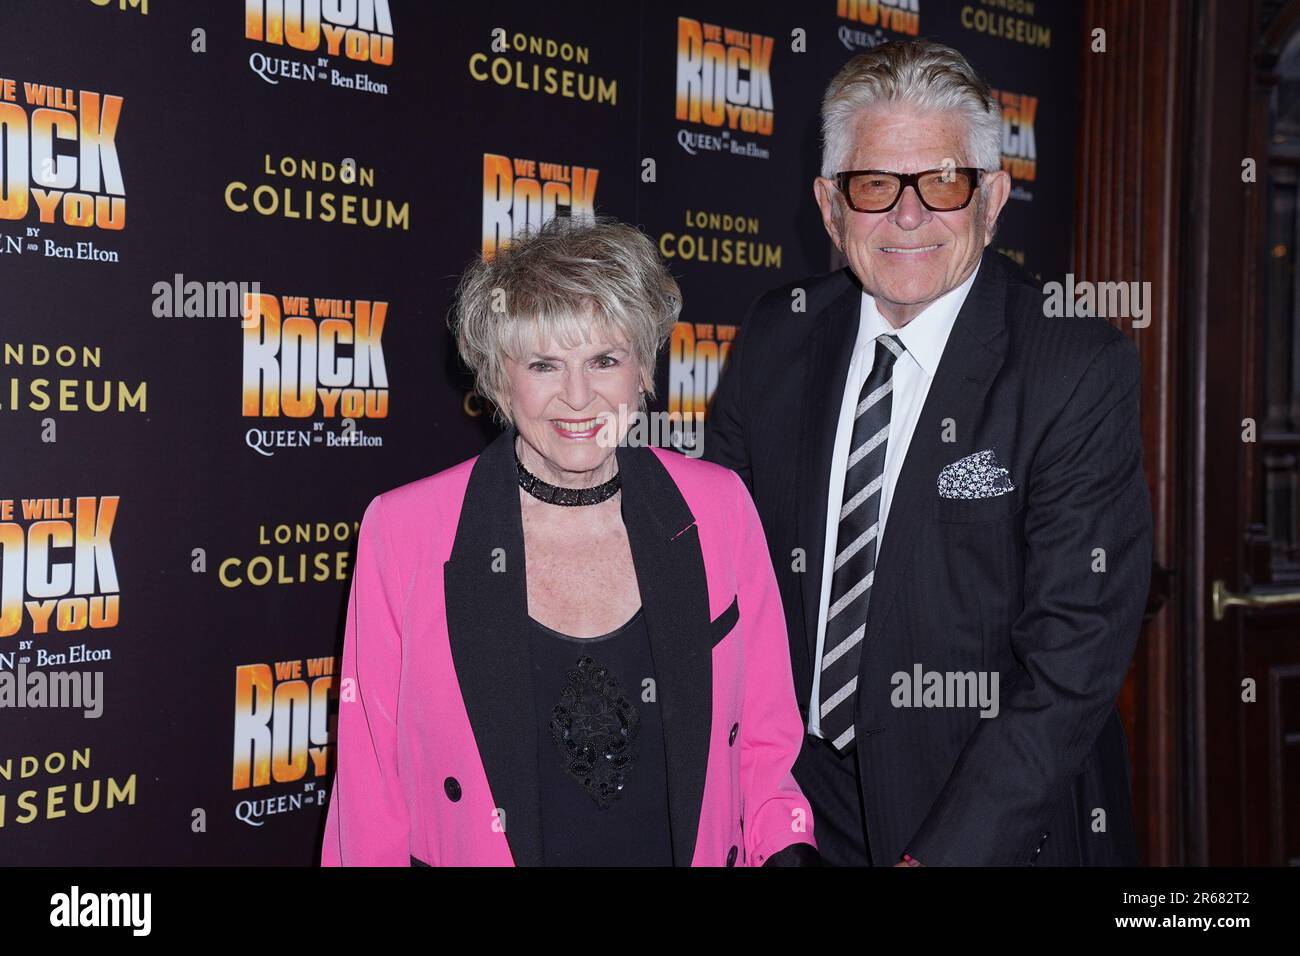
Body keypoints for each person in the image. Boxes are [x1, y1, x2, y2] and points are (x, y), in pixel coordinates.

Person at [706, 40, 1152, 866]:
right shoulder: (778, 333)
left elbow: (1072, 660)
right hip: (798, 814)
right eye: (874, 185)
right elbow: (715, 572)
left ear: (993, 198)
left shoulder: (1073, 362)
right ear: (829, 206)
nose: (907, 217)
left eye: (943, 183)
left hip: (993, 825)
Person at [321, 216, 819, 867]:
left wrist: (787, 845)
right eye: (544, 364)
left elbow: (764, 743)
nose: (578, 398)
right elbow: (371, 793)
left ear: (644, 369)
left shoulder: (717, 507)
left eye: (605, 360)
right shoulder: (405, 532)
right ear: (499, 380)